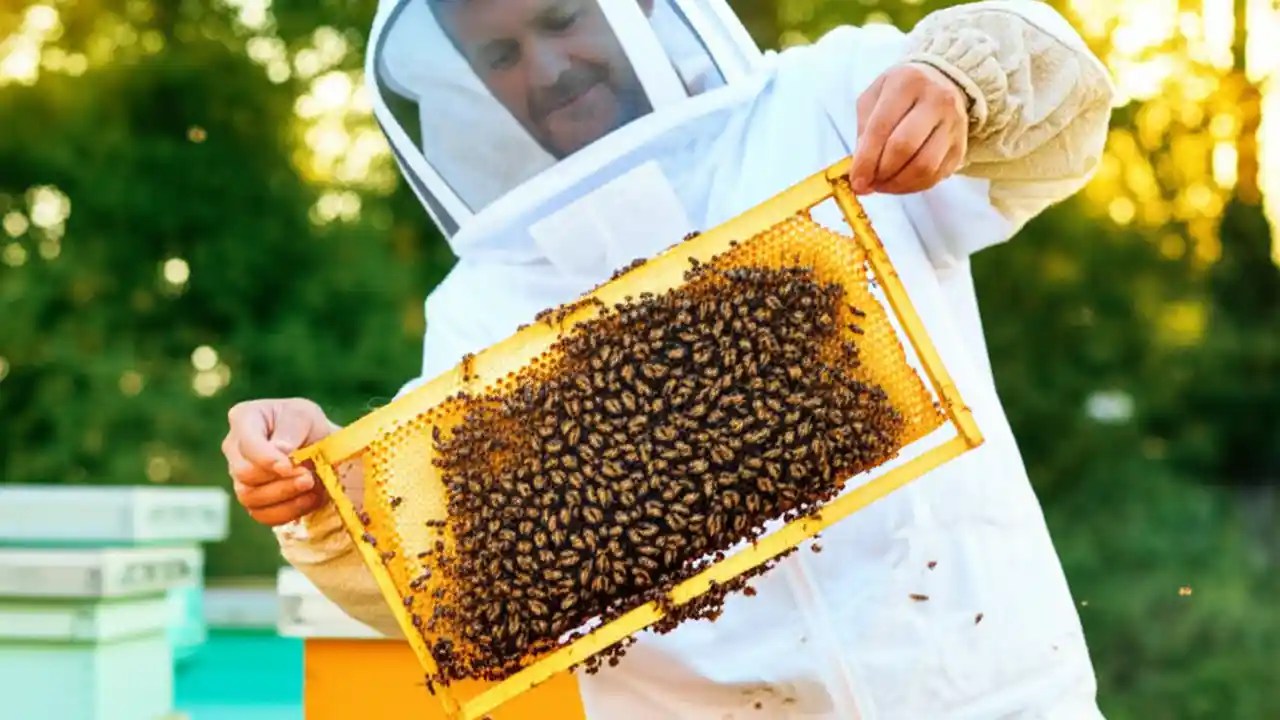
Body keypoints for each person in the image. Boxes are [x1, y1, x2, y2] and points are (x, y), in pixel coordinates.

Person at [223, 0, 1116, 717]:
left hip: (988, 693)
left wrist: (962, 81)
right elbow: (449, 585)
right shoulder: (479, 303)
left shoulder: (825, 101)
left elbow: (1060, 106)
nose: (545, 67)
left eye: (560, 20)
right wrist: (321, 493)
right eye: (500, 59)